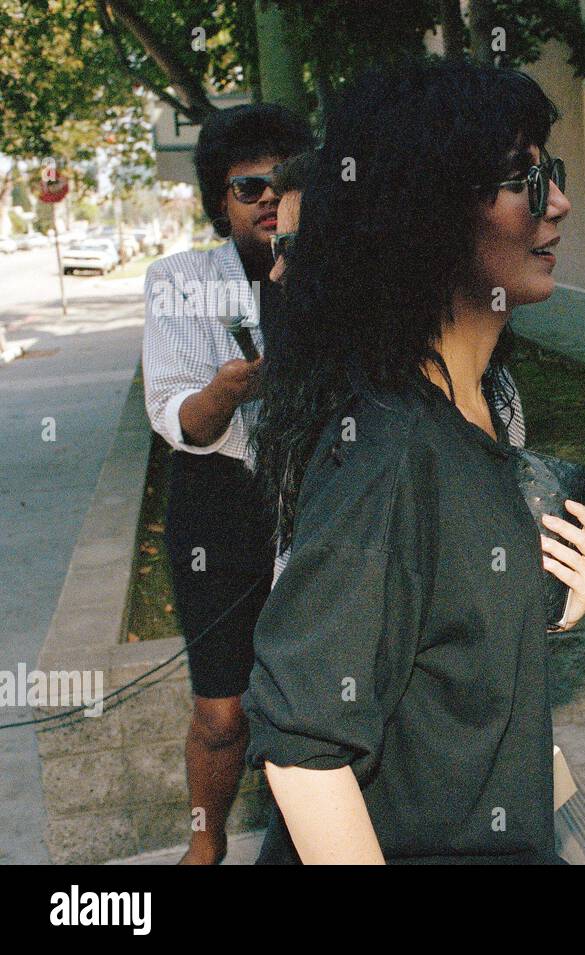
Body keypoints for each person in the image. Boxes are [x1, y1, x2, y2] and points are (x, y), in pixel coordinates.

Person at [244, 55, 585, 864]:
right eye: (524, 179)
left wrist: (542, 598)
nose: (558, 202)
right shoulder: (389, 444)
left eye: (552, 173)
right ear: (429, 214)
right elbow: (303, 750)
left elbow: (433, 620)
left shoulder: (483, 402)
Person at [141, 103, 313, 865]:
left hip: (319, 501)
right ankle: (205, 843)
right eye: (248, 187)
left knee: (315, 696)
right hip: (218, 508)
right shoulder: (178, 281)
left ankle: (312, 838)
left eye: (283, 180)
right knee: (222, 712)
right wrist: (226, 390)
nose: (268, 197)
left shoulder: (336, 271)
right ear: (220, 201)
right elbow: (180, 416)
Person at [260, 151, 528, 589]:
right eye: (277, 247)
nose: (276, 272)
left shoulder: (493, 391)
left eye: (293, 248)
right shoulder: (337, 408)